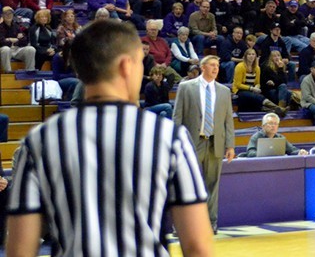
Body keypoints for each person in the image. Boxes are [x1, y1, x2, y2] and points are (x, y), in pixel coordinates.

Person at [6, 19, 212, 256]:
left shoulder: (39, 141)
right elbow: (197, 246)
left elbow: (20, 248)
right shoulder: (170, 137)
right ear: (126, 66)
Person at [173, 55, 237, 234]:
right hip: (192, 142)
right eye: (212, 65)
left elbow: (228, 121)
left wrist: (230, 146)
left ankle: (211, 223)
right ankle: (182, 226)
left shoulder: (224, 91)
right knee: (186, 184)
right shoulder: (186, 87)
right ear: (203, 67)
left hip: (215, 143)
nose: (216, 68)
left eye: (217, 65)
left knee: (212, 185)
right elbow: (177, 116)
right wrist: (175, 142)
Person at [243, 113, 309, 157]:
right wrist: (264, 154)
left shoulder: (280, 138)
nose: (273, 126)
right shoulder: (256, 137)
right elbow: (250, 153)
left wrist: (299, 152)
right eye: (271, 123)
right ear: (263, 126)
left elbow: (292, 150)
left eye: (276, 123)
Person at [0, 6, 36, 72]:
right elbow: (1, 42)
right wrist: (15, 40)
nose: (8, 15)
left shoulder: (17, 26)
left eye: (10, 13)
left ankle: (30, 72)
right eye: (6, 14)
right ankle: (7, 72)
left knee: (31, 49)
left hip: (16, 49)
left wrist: (10, 40)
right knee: (5, 49)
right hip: (4, 51)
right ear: (2, 15)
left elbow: (25, 40)